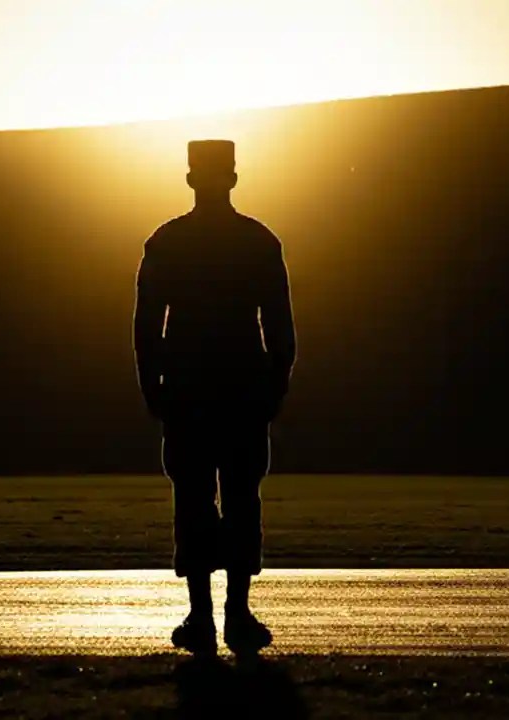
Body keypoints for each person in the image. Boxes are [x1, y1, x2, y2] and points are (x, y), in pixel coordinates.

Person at [134, 139, 297, 656]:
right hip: (242, 391)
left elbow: (145, 328)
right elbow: (281, 330)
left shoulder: (167, 243)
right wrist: (275, 386)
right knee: (242, 500)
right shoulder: (258, 242)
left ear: (190, 180)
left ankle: (203, 616)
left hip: (188, 392)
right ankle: (236, 613)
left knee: (194, 502)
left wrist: (152, 386)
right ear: (232, 178)